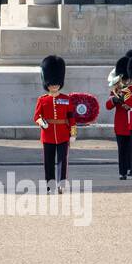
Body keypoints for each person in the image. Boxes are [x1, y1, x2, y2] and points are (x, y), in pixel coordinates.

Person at [34, 55, 76, 192]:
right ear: (47, 83)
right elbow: (36, 116)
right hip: (48, 134)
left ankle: (61, 184)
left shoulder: (66, 99)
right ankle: (50, 184)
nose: (54, 86)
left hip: (63, 133)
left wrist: (73, 133)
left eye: (56, 84)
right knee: (49, 162)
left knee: (62, 162)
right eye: (52, 84)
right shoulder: (42, 100)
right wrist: (42, 123)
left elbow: (71, 117)